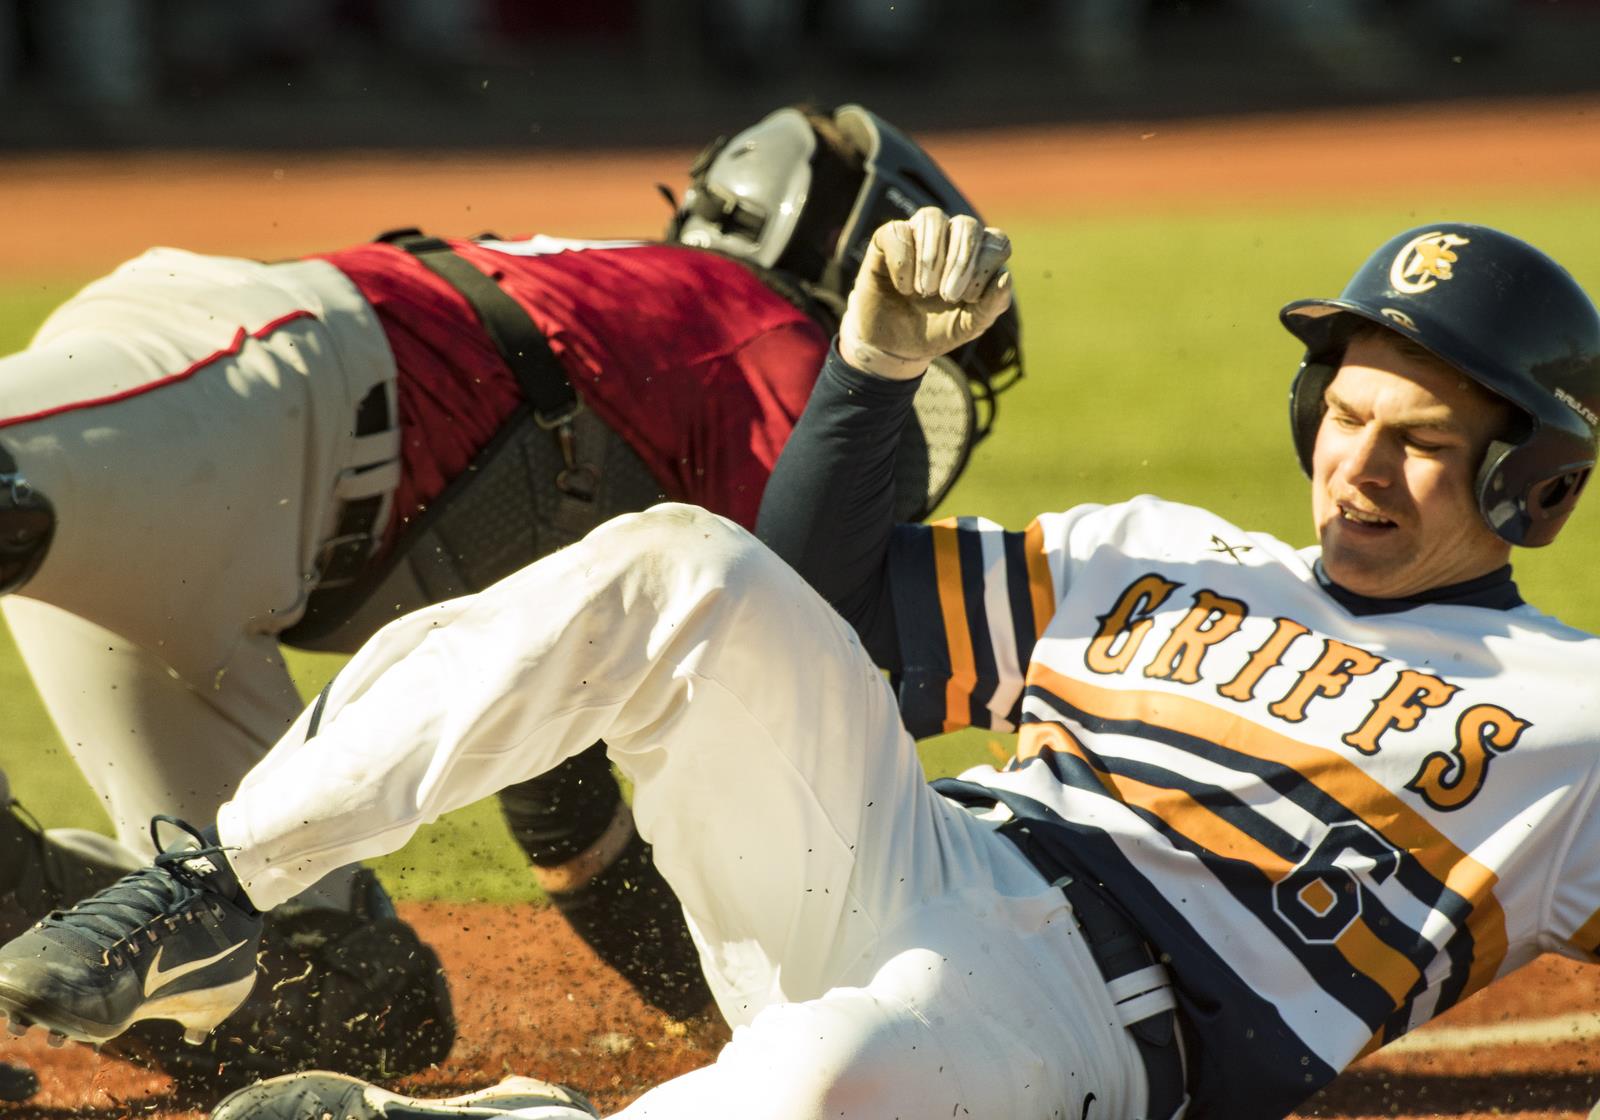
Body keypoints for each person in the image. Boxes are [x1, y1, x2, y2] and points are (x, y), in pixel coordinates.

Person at [4, 209, 1595, 1120]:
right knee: (680, 563)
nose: (1360, 471)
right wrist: (872, 369)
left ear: (1533, 483)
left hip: (1093, 1020)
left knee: (844, 1078)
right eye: (1349, 419)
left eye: (1427, 445)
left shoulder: (1570, 715)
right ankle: (228, 884)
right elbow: (812, 594)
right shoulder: (1162, 552)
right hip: (915, 846)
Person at [0, 103, 1022, 1097]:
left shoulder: (646, 335)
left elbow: (558, 789)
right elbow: (794, 705)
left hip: (252, 493)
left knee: (354, 1000)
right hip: (276, 406)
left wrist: (703, 1002)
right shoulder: (768, 339)